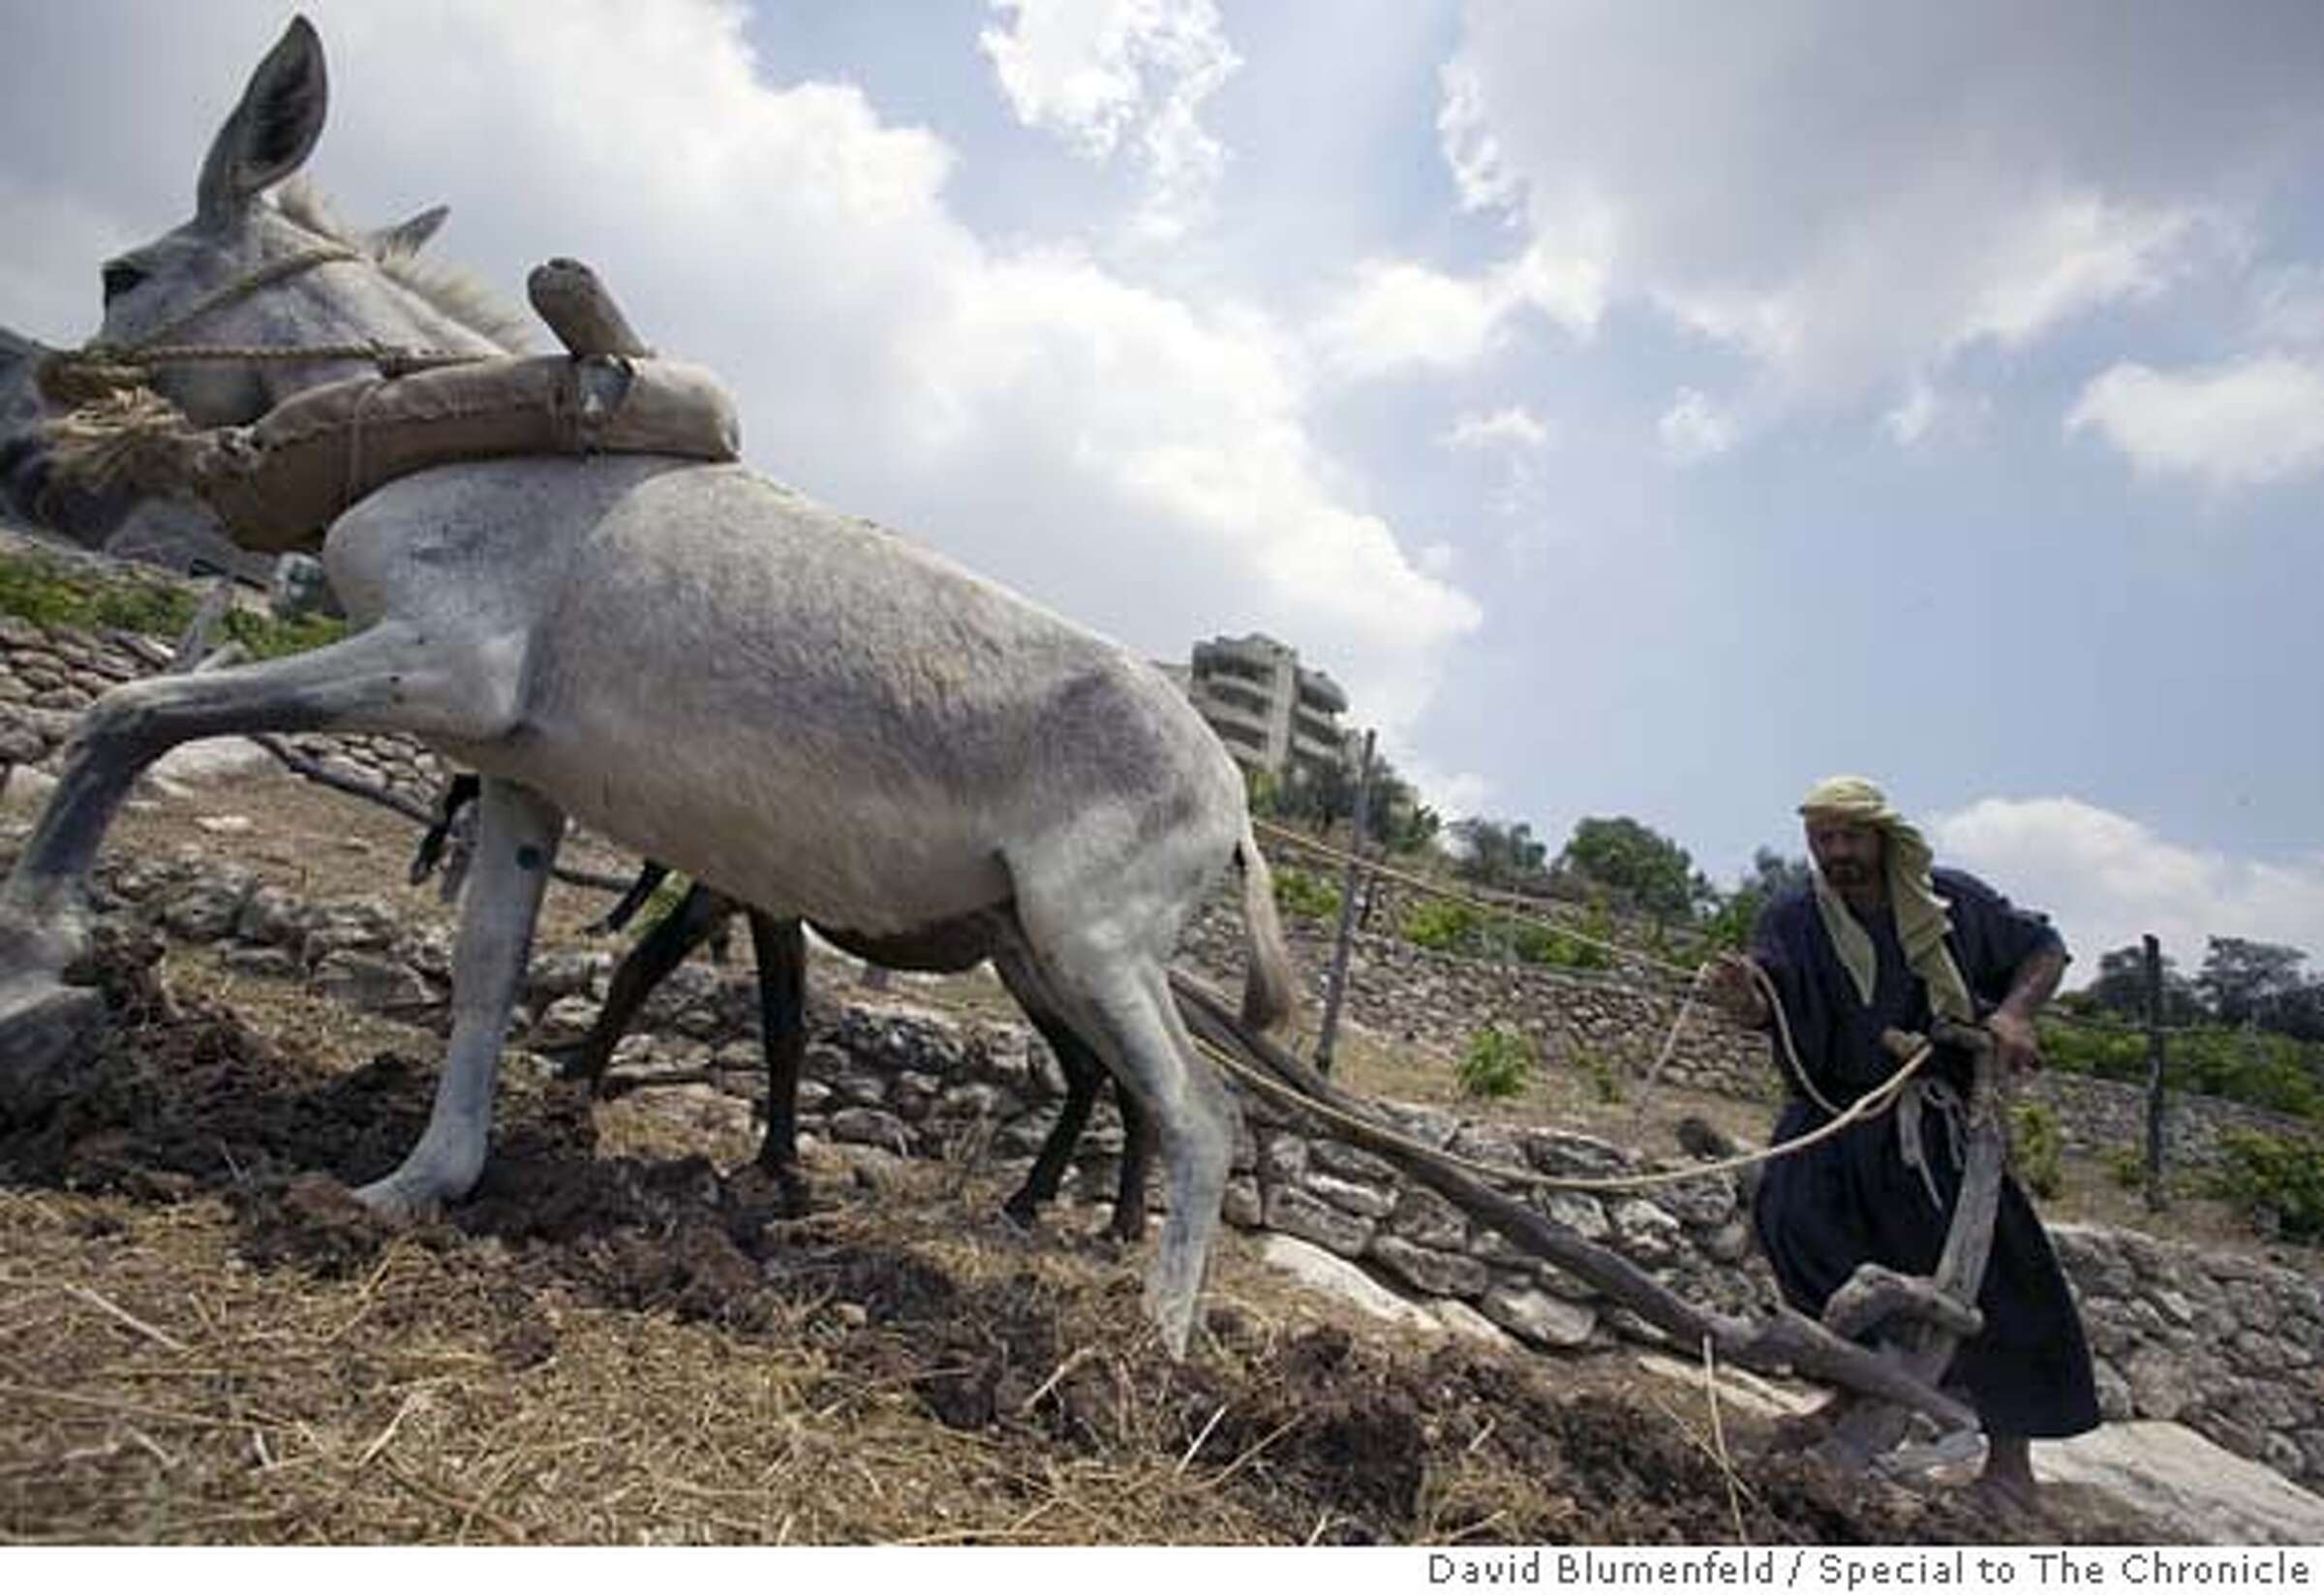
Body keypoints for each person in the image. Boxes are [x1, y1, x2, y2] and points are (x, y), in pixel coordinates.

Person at [1706, 775, 2099, 1517]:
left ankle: (2011, 1467)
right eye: (1823, 838)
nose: (1837, 853)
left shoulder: (1952, 903)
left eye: (1850, 836)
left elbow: (2044, 947)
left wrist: (2014, 1014)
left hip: (1932, 1127)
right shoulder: (1793, 917)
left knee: (1993, 1283)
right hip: (1835, 1116)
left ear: (1884, 837)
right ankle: (1854, 1393)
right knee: (1790, 1220)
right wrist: (1748, 1002)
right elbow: (1773, 996)